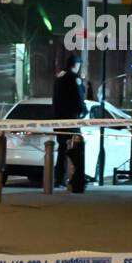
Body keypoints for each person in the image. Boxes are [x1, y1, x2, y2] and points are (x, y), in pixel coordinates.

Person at [52, 53, 88, 193]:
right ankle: (75, 179)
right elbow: (78, 98)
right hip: (71, 120)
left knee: (62, 149)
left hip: (58, 120)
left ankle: (59, 178)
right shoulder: (74, 78)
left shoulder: (59, 77)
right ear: (77, 65)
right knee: (76, 148)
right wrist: (83, 111)